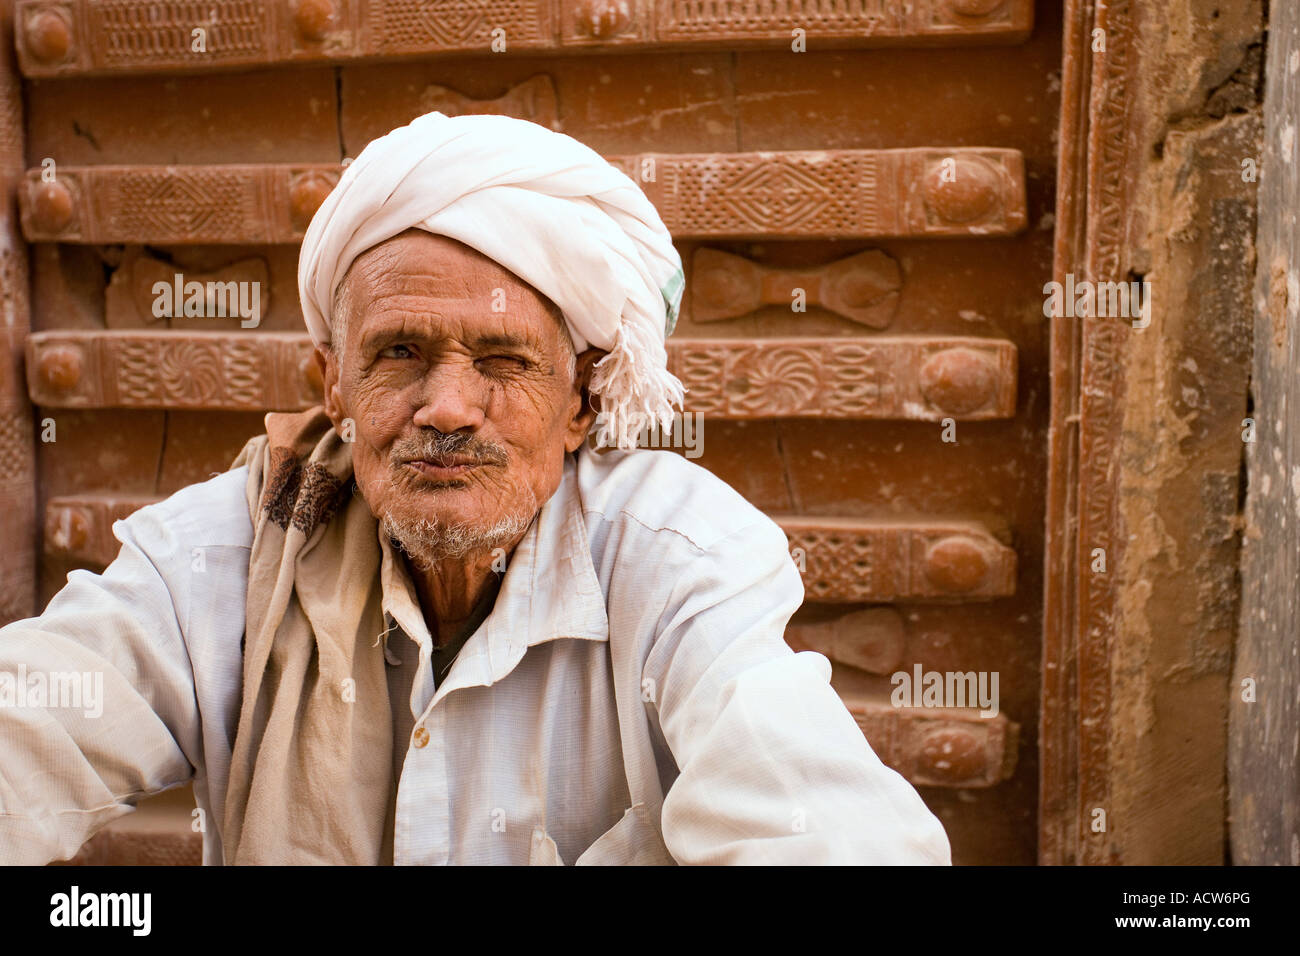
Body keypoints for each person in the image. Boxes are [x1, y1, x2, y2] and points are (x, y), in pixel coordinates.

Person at [0, 112, 951, 865]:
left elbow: (817, 826)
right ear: (334, 384)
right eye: (399, 353)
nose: (448, 408)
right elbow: (29, 731)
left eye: (502, 360)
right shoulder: (235, 547)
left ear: (582, 402)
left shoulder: (674, 559)